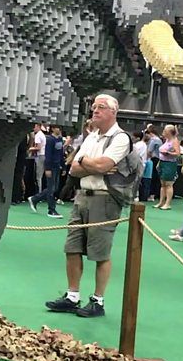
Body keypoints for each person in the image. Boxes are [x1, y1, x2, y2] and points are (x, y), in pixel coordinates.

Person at [45, 94, 131, 318]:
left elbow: (104, 165)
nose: (95, 111)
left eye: (101, 107)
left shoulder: (120, 138)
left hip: (105, 199)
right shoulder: (92, 136)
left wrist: (85, 163)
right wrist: (89, 164)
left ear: (114, 112)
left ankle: (98, 301)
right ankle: (72, 296)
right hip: (81, 196)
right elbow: (73, 167)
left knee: (100, 252)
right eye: (94, 107)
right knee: (72, 248)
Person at [28, 125, 64, 218]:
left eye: (60, 128)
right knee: (51, 188)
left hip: (57, 166)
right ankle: (51, 210)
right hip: (51, 166)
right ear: (53, 129)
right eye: (57, 128)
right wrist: (47, 168)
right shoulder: (50, 140)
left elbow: (61, 153)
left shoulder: (60, 139)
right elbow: (47, 154)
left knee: (54, 188)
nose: (59, 129)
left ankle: (35, 199)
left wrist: (63, 166)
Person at [154, 125, 181, 209]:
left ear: (170, 133)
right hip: (162, 162)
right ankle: (161, 202)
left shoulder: (174, 140)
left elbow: (177, 153)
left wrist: (168, 153)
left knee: (169, 184)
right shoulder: (166, 140)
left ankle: (167, 203)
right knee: (162, 184)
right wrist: (159, 162)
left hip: (170, 164)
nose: (163, 132)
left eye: (165, 131)